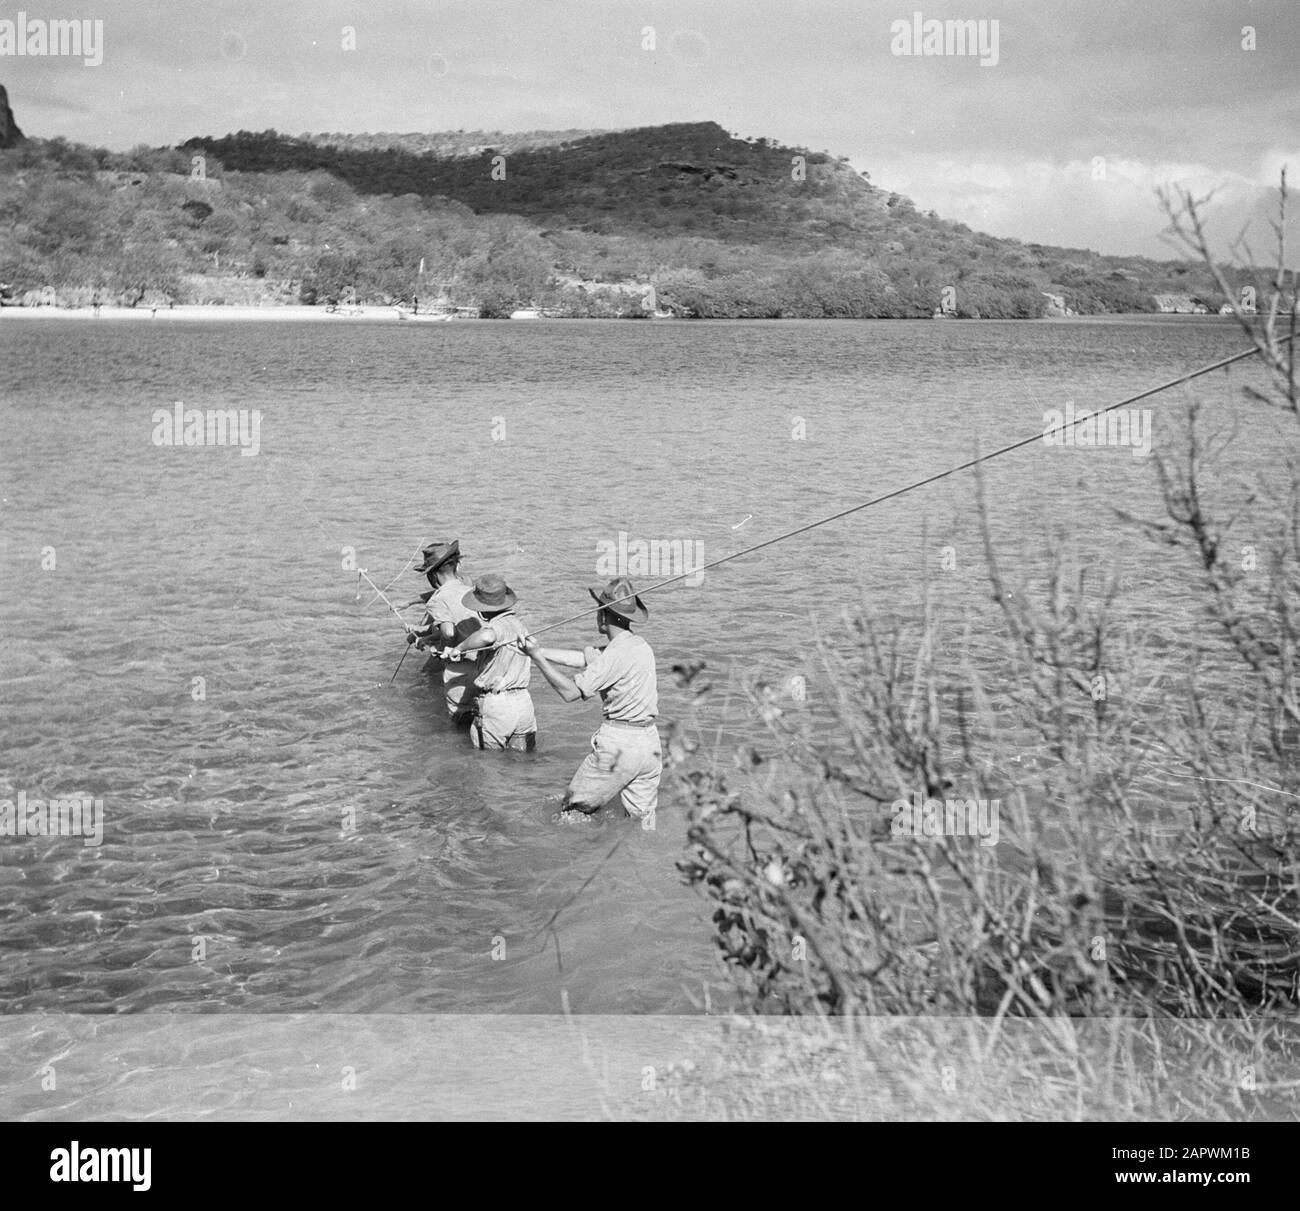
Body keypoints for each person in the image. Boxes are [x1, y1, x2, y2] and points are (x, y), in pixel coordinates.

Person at [522, 577, 660, 828]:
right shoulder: (638, 646)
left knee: (570, 813)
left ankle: (578, 862)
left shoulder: (614, 654)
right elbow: (581, 659)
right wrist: (536, 652)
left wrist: (538, 661)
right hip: (650, 744)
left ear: (602, 615)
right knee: (642, 823)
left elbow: (571, 693)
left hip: (621, 746)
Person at [449, 574, 537, 751]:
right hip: (523, 704)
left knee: (489, 765)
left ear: (482, 607)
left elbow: (487, 636)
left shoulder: (494, 628)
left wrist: (459, 648)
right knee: (525, 764)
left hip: (498, 706)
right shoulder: (519, 626)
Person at [407, 540, 480, 724]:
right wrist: (428, 637)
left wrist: (436, 647)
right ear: (456, 565)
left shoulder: (437, 599)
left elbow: (448, 632)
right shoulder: (472, 591)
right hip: (486, 664)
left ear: (431, 574)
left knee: (460, 723)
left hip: (462, 670)